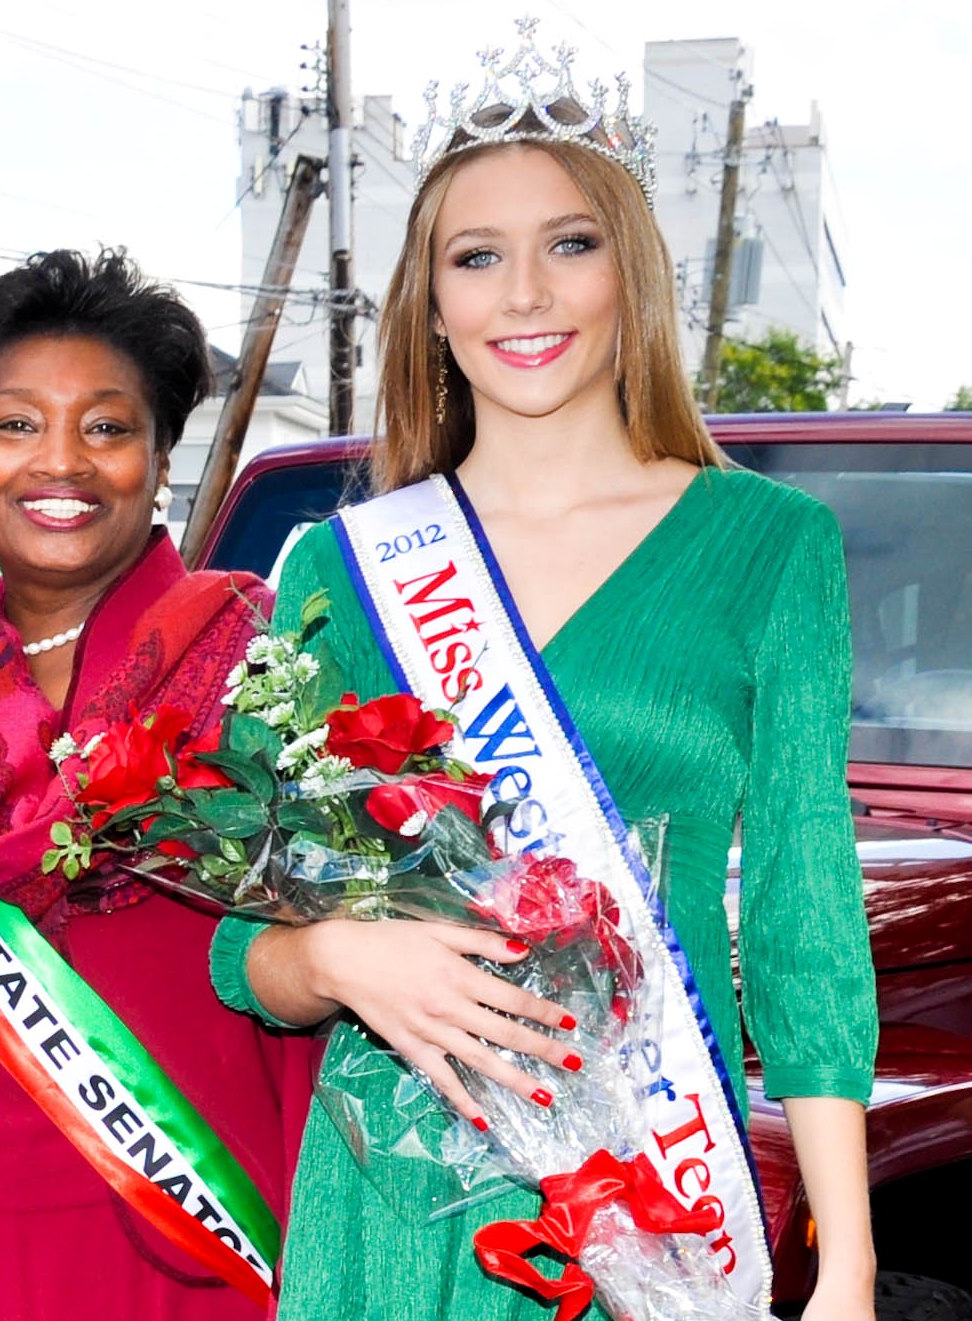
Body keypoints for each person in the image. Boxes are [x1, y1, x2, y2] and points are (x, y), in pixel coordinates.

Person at [220, 24, 878, 1321]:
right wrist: (341, 959)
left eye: (567, 243)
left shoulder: (767, 547)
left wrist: (846, 1263)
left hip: (642, 1201)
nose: (523, 294)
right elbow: (245, 944)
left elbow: (807, 923)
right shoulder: (342, 571)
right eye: (478, 256)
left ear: (627, 275)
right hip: (390, 1214)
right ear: (433, 300)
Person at [0, 249, 308, 1318]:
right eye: (14, 427)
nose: (63, 462)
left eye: (107, 426)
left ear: (158, 456)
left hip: (195, 1238)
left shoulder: (261, 667)